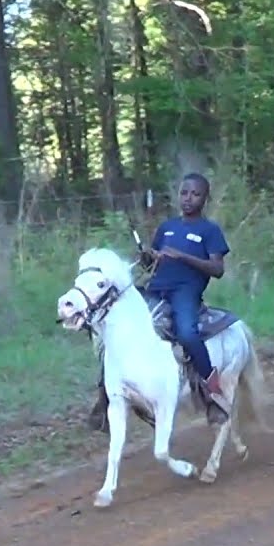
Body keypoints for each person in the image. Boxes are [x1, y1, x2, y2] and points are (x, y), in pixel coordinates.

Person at [85, 173, 232, 431]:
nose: (188, 199)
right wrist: (146, 256)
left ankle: (212, 394)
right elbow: (153, 263)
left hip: (185, 291)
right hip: (156, 288)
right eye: (184, 193)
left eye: (195, 194)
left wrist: (182, 256)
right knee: (114, 328)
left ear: (205, 199)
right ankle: (105, 396)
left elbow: (217, 269)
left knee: (187, 333)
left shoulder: (210, 230)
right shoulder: (167, 227)